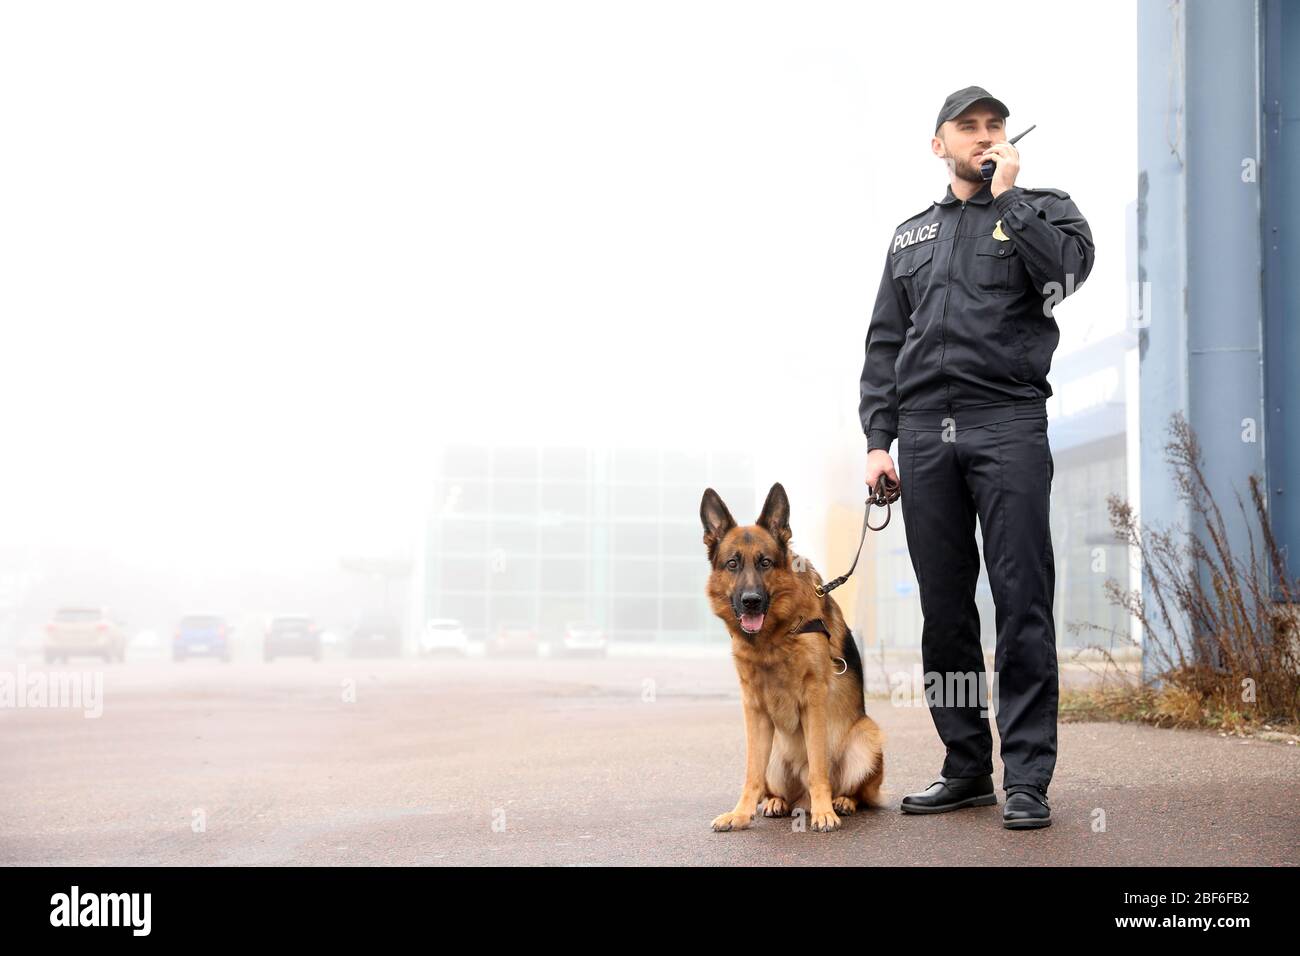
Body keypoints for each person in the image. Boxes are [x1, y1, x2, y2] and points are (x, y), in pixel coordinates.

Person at [858, 86, 1095, 829]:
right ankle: (966, 768)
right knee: (946, 614)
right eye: (969, 127)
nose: (985, 136)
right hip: (927, 435)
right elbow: (885, 343)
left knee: (1022, 601)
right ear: (940, 145)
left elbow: (1063, 276)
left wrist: (1011, 197)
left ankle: (1026, 777)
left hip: (1008, 424)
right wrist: (877, 440)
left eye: (994, 126)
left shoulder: (1046, 210)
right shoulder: (910, 237)